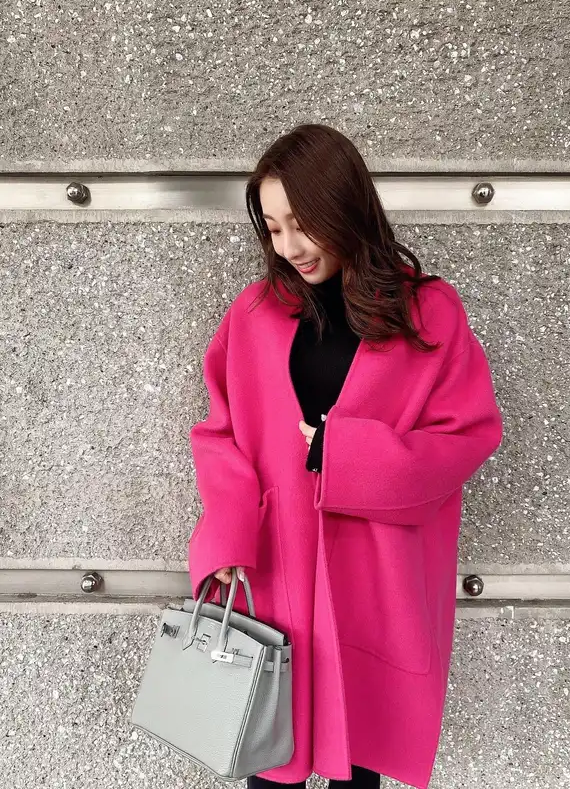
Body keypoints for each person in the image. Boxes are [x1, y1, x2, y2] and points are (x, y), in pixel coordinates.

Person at [188, 123, 503, 789]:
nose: (289, 247)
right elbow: (222, 434)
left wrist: (348, 453)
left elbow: (466, 436)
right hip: (279, 563)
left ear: (344, 207)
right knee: (267, 757)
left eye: (302, 224)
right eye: (274, 228)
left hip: (375, 577)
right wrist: (228, 533)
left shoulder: (427, 314)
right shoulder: (254, 313)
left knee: (358, 761)